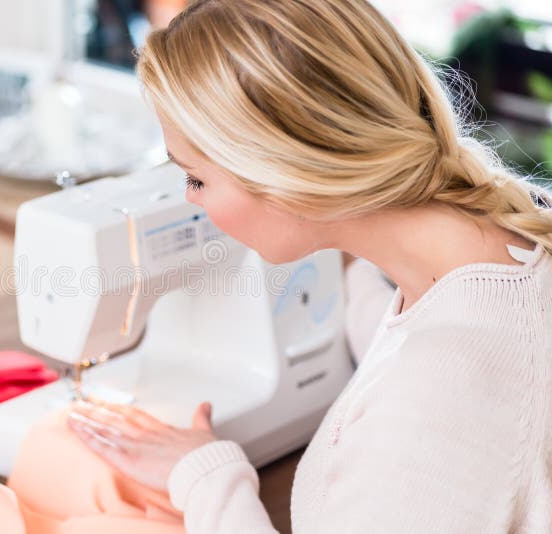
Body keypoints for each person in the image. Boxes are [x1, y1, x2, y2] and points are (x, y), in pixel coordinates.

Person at [66, 1, 552, 532]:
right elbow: (434, 345)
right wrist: (351, 278)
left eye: (197, 179)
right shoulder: (508, 243)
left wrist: (208, 477)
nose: (189, 201)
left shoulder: (439, 403)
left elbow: (447, 400)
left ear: (286, 172)